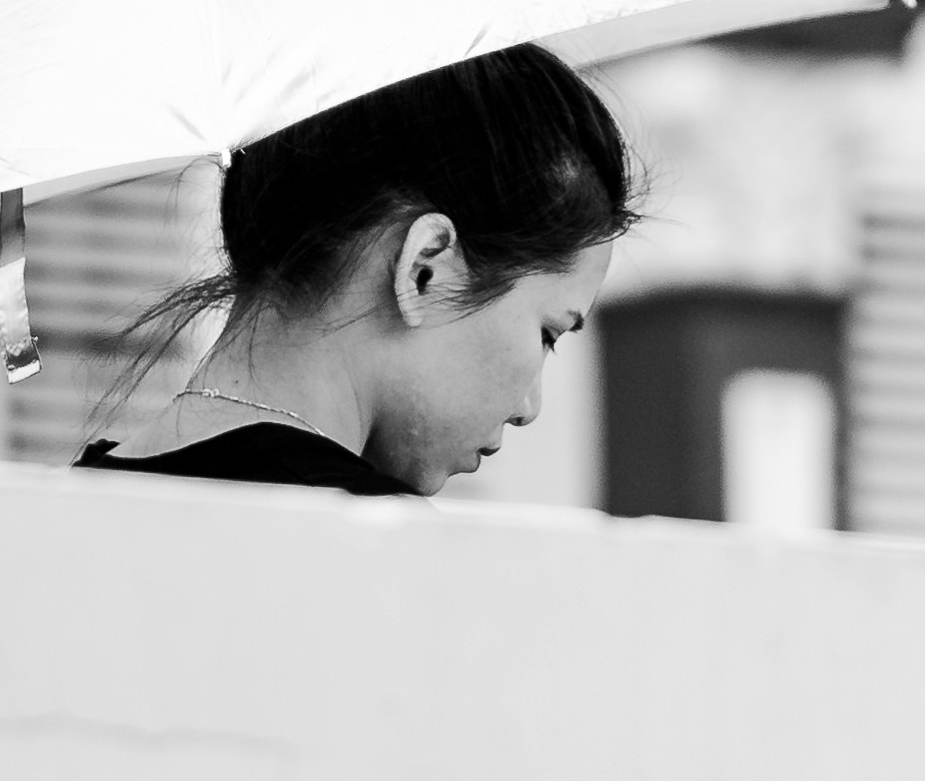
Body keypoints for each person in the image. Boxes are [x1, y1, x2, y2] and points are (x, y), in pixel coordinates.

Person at [72, 43, 641, 498]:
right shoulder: (402, 574)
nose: (528, 409)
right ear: (425, 268)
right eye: (548, 333)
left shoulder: (58, 514)